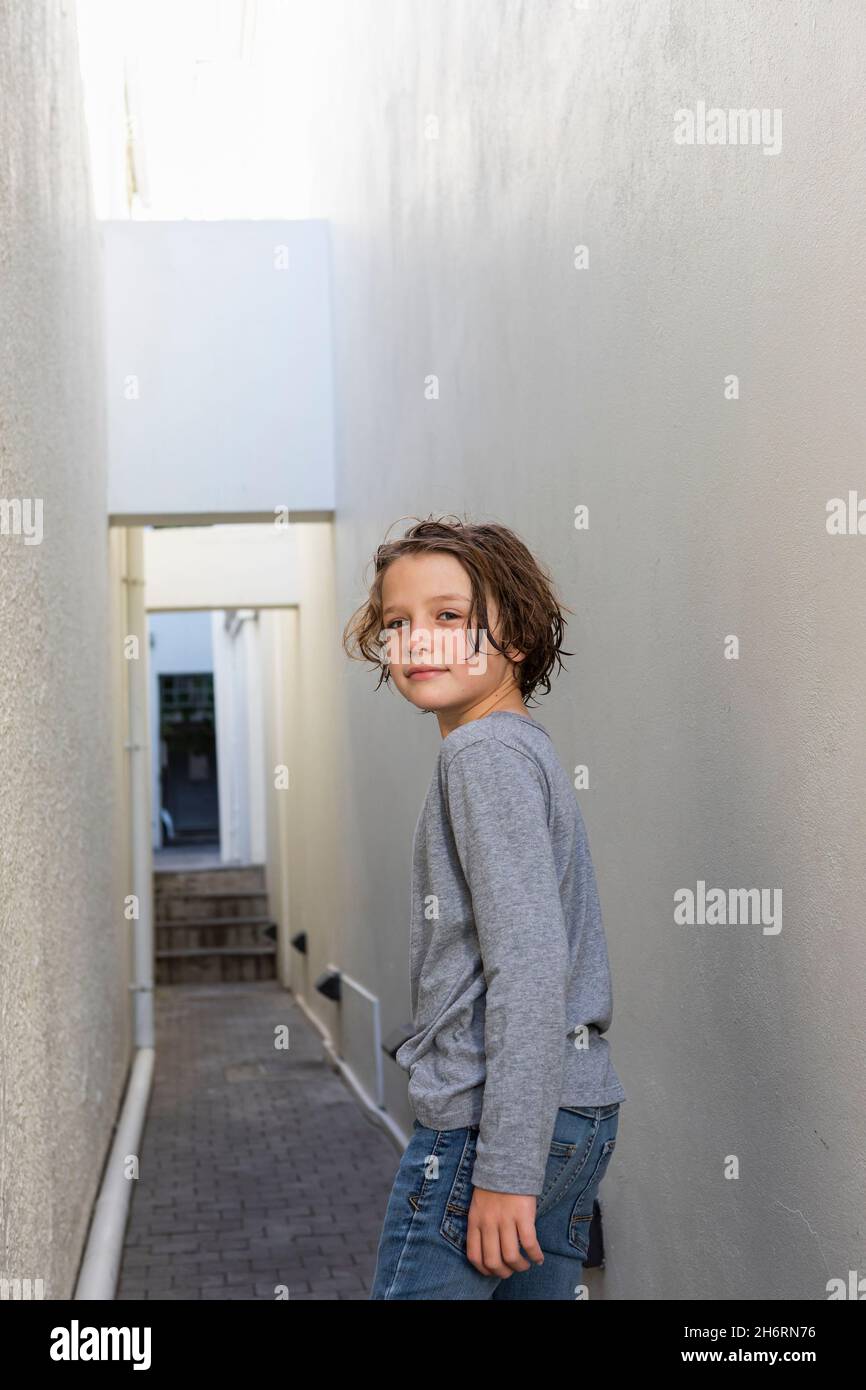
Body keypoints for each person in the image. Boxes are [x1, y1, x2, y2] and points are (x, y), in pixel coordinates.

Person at [342, 514, 626, 1299]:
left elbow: (530, 967)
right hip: (574, 1114)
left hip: (487, 1130)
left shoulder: (481, 754)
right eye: (397, 622)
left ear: (520, 640)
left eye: (449, 617)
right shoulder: (520, 744)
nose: (418, 640)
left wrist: (503, 1172)